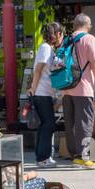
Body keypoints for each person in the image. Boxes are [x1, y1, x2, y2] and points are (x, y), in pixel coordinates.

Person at [61, 13, 95, 168]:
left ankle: (75, 155)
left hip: (67, 88)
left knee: (71, 124)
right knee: (85, 123)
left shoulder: (66, 40)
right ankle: (85, 157)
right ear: (88, 25)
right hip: (83, 88)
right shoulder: (89, 39)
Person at [27, 22, 64, 167]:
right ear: (55, 34)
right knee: (48, 125)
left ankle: (42, 157)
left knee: (45, 125)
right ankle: (43, 158)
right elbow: (38, 69)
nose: (61, 36)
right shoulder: (45, 48)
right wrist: (33, 88)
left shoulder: (49, 49)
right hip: (41, 92)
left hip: (44, 93)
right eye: (60, 33)